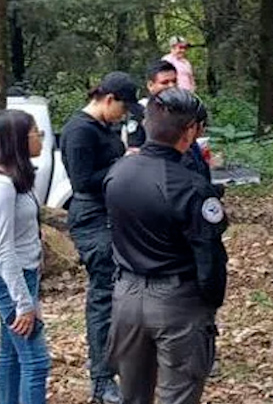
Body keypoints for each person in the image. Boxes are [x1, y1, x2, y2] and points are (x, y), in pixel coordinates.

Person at [105, 88, 228, 404]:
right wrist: (209, 304)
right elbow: (209, 257)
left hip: (126, 297)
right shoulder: (192, 188)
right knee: (179, 395)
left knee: (132, 396)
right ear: (190, 132)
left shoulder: (118, 173)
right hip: (177, 301)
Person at [61, 72, 137, 404]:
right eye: (123, 108)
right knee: (103, 295)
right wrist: (124, 163)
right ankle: (101, 377)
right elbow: (83, 181)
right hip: (91, 218)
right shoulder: (78, 131)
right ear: (108, 100)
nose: (124, 115)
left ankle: (124, 359)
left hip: (113, 214)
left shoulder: (104, 127)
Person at [0, 110, 51, 404]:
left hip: (21, 273)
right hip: (4, 276)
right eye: (35, 132)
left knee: (12, 354)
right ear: (16, 139)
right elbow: (3, 249)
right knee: (36, 361)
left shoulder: (17, 179)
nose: (40, 137)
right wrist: (23, 303)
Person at [123, 60, 210, 181]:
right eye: (164, 82)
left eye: (174, 81)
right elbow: (135, 150)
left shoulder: (184, 107)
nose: (171, 86)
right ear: (150, 85)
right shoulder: (140, 112)